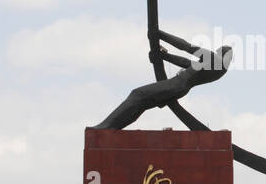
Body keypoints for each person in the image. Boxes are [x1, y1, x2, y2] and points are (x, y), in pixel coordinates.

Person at [94, 30, 232, 130]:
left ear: (220, 53)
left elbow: (186, 47)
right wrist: (164, 56)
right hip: (182, 89)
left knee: (137, 94)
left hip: (177, 84)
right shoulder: (219, 70)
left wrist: (160, 34)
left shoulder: (214, 58)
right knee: (142, 104)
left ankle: (106, 126)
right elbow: (187, 63)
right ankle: (113, 128)